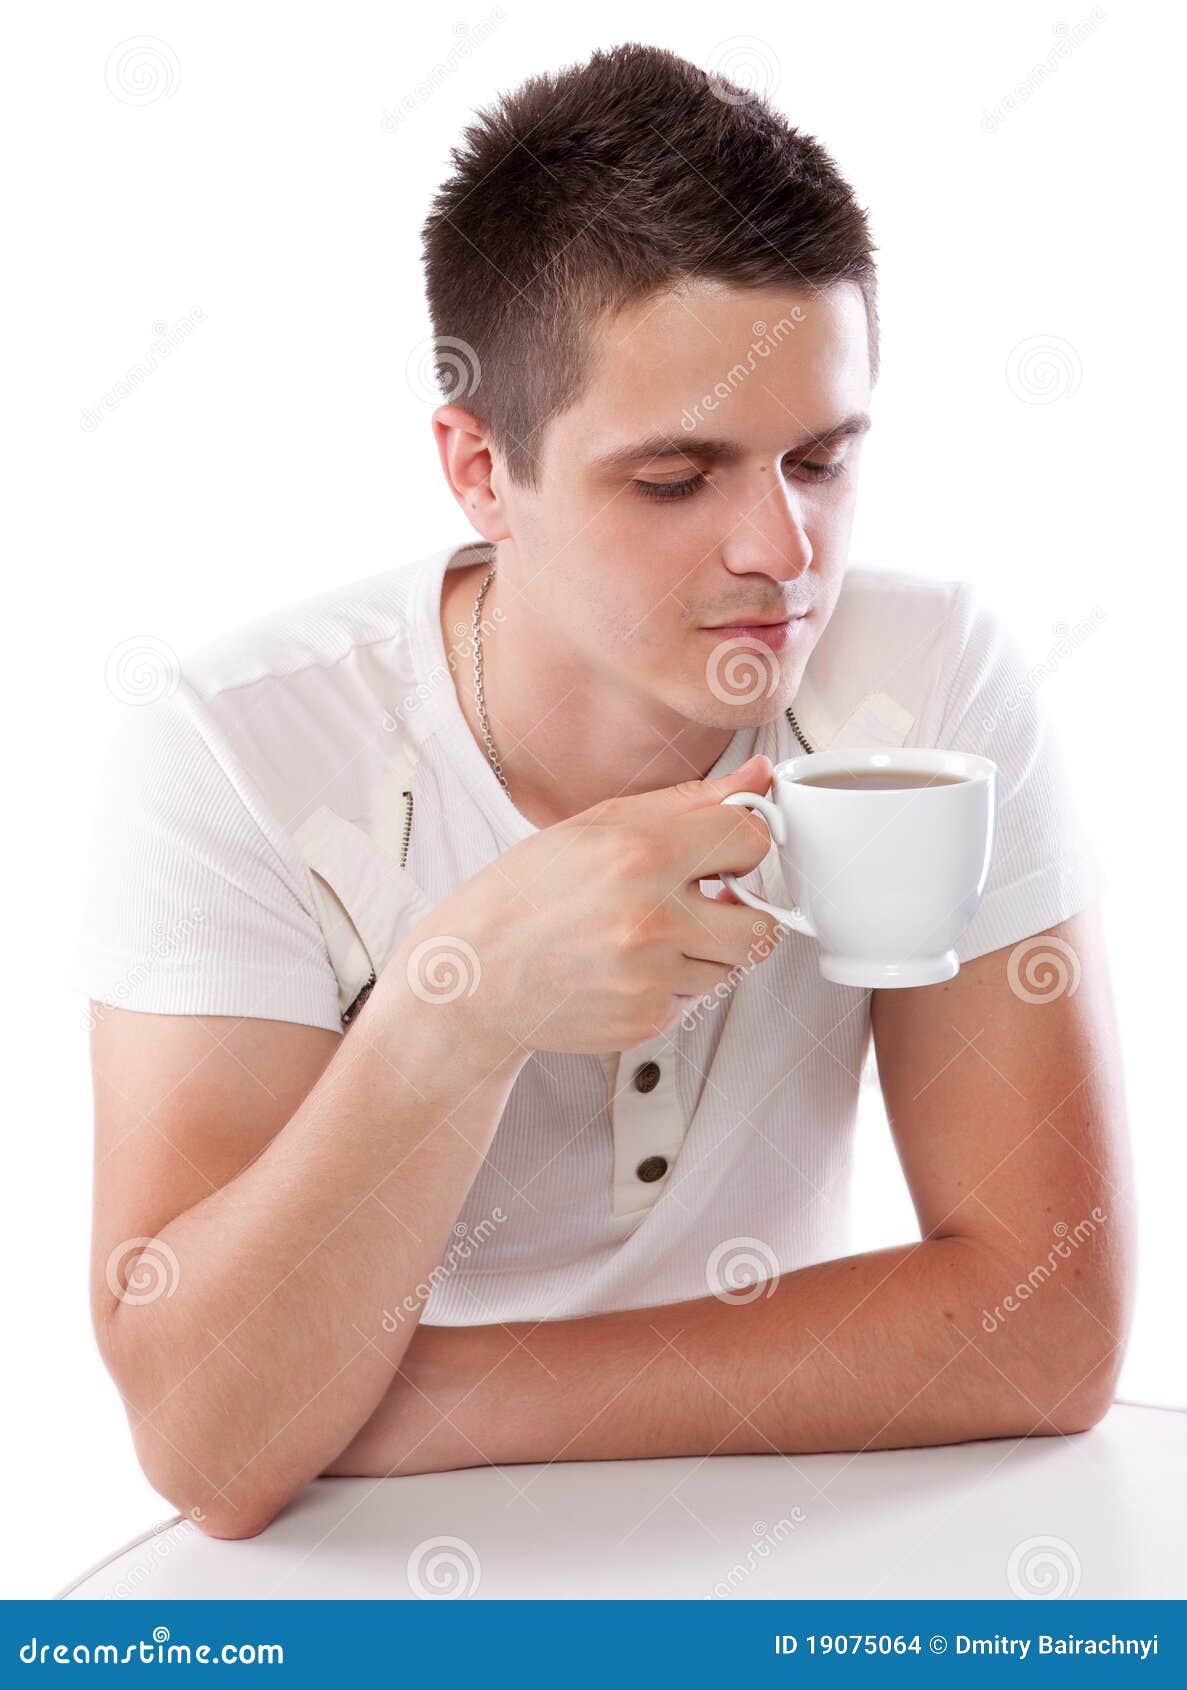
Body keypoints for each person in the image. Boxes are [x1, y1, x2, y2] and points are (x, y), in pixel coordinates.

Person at [70, 42, 1132, 1541]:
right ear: (477, 469)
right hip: (373, 1577)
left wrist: (403, 1407)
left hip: (794, 1527)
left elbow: (1048, 1325)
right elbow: (206, 1436)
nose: (784, 552)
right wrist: (453, 1009)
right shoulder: (238, 749)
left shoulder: (928, 680)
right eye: (677, 480)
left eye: (822, 459)